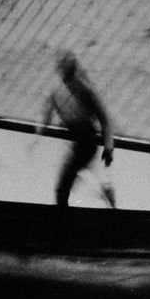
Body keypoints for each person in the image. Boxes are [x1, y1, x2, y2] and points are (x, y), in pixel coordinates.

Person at [37, 52, 116, 207]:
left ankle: (103, 193)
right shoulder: (73, 91)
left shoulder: (76, 91)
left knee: (63, 186)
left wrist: (108, 147)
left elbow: (104, 120)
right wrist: (108, 147)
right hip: (84, 142)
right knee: (70, 179)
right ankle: (104, 192)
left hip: (84, 143)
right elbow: (104, 119)